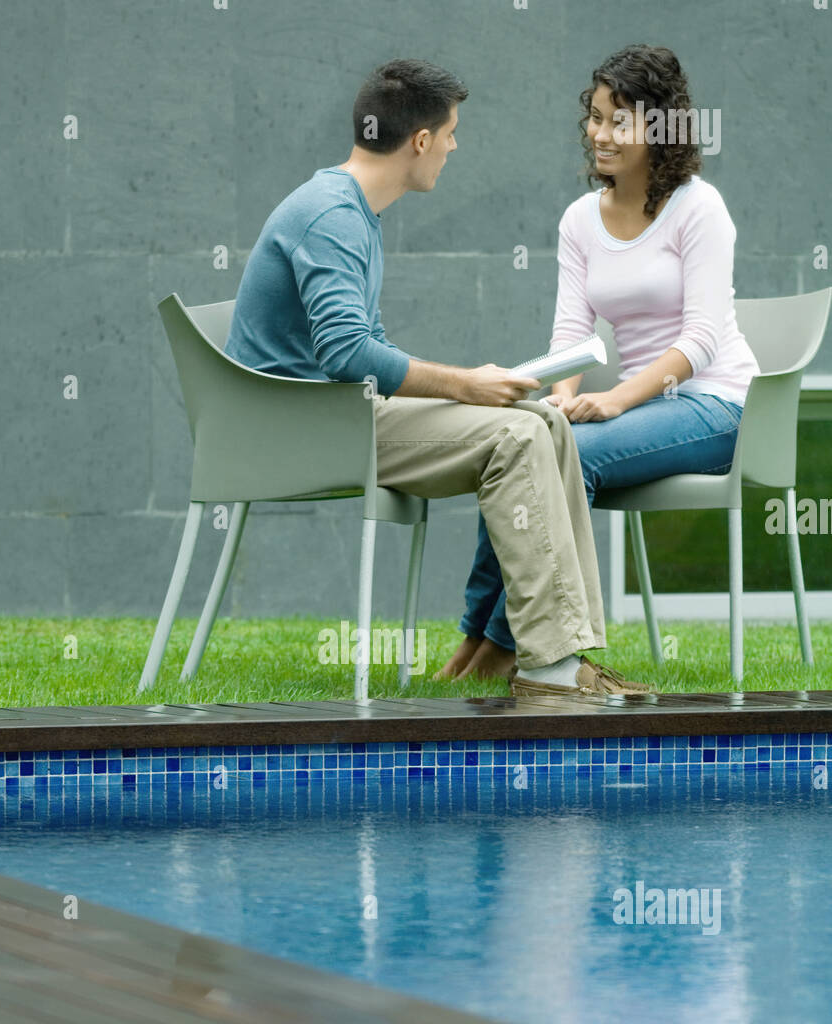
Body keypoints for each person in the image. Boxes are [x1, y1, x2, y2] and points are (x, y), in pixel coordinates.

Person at [225, 58, 649, 698]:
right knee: (514, 438)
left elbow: (361, 345)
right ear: (419, 141)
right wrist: (465, 386)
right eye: (449, 133)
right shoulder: (332, 216)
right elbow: (345, 352)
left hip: (332, 414)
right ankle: (550, 670)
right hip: (299, 427)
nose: (454, 146)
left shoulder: (351, 210)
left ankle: (571, 654)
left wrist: (480, 385)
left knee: (541, 421)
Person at [439, 44, 759, 683]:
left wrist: (613, 401)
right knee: (518, 440)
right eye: (595, 116)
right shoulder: (580, 220)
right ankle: (475, 637)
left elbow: (699, 342)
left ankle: (507, 647)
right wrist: (558, 396)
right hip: (646, 410)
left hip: (714, 405)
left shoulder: (699, 208)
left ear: (661, 127)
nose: (600, 133)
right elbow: (571, 333)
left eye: (620, 120)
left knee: (573, 457)